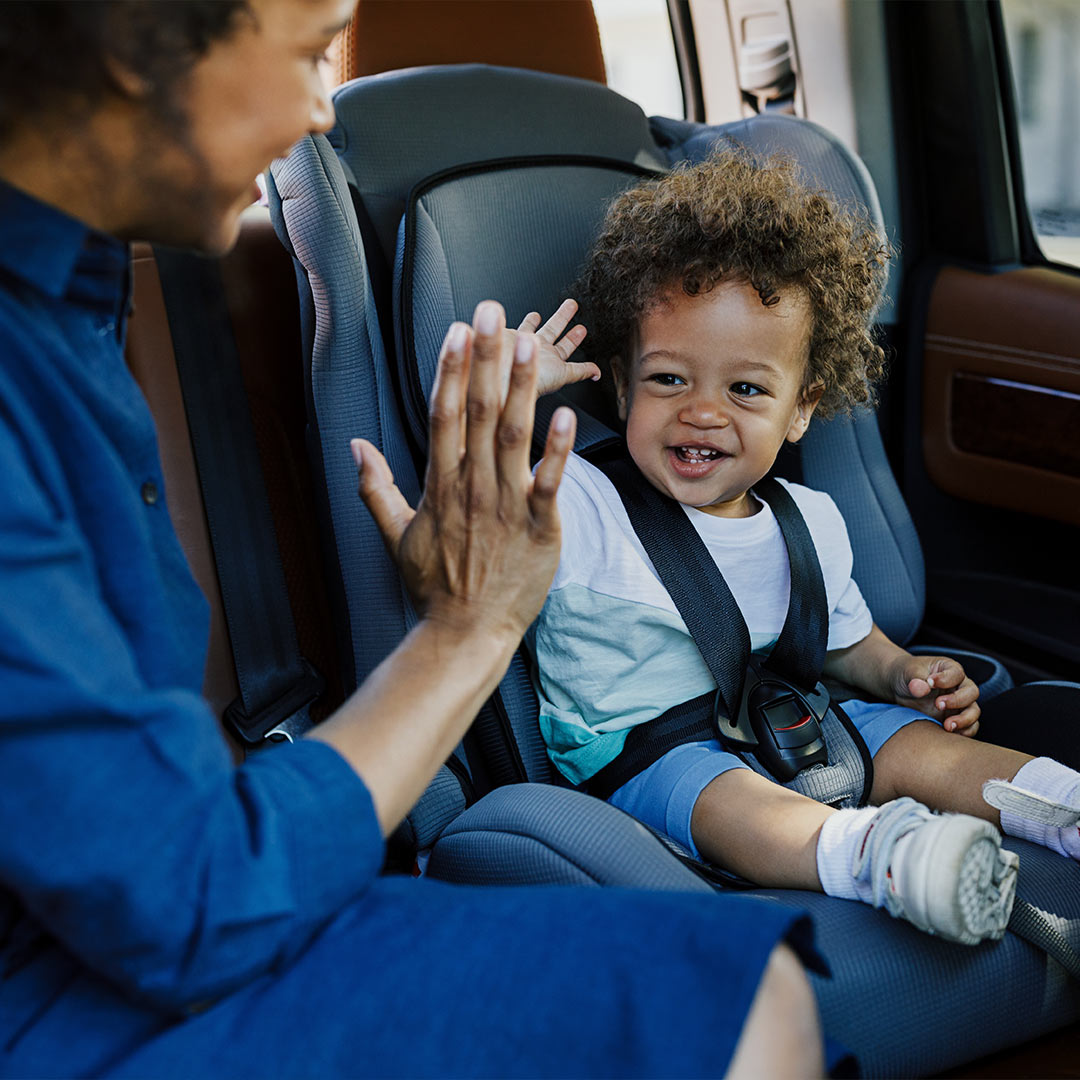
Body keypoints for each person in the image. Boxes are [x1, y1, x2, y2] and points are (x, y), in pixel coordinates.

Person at [0, 3, 834, 1077]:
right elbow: (193, 895)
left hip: (118, 920)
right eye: (309, 50)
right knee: (728, 1003)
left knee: (740, 990)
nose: (317, 106)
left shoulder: (73, 298)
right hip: (81, 973)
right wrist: (470, 625)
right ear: (131, 39)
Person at [531, 152, 1080, 947]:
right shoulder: (578, 498)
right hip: (653, 755)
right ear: (621, 386)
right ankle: (887, 859)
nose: (704, 414)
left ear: (801, 409)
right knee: (721, 794)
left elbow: (852, 648)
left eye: (746, 390)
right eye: (668, 381)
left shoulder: (808, 520)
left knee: (913, 745)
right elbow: (458, 549)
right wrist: (502, 414)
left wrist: (904, 675)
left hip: (800, 724)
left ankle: (1058, 806)